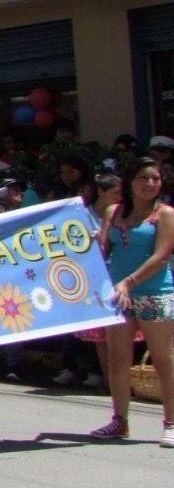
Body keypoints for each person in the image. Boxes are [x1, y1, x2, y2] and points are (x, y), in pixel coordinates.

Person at [87, 158, 174, 443]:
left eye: (155, 178)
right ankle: (119, 421)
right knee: (118, 361)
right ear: (129, 182)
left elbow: (161, 256)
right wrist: (87, 243)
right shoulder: (113, 212)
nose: (149, 184)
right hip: (118, 295)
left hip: (154, 293)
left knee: (163, 361)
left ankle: (171, 423)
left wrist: (129, 282)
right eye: (143, 178)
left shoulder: (165, 214)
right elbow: (103, 248)